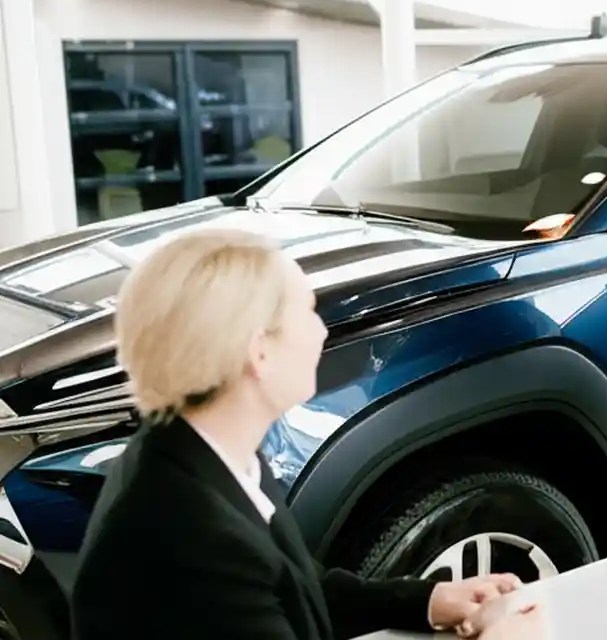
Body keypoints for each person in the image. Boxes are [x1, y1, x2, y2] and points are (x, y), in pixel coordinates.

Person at [71, 228, 535, 640]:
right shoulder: (193, 542)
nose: (321, 331)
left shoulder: (200, 453)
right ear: (259, 352)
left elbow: (295, 589)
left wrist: (426, 601)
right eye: (308, 312)